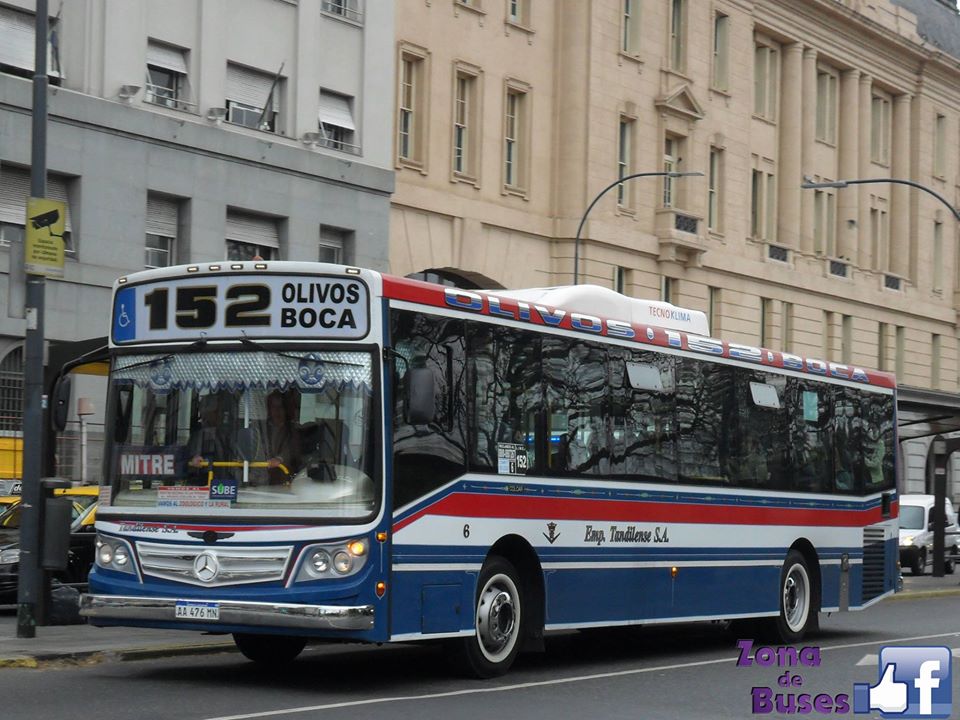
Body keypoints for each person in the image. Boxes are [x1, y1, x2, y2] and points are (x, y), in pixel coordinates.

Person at [187, 392, 234, 477]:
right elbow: (193, 456)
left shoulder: (224, 432)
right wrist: (195, 457)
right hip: (204, 478)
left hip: (224, 477)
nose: (220, 415)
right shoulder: (200, 432)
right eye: (216, 412)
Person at [262, 391, 300, 484]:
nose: (277, 411)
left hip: (284, 480)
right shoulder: (262, 428)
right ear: (269, 409)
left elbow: (293, 450)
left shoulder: (292, 430)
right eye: (274, 407)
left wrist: (279, 459)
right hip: (261, 478)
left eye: (280, 407)